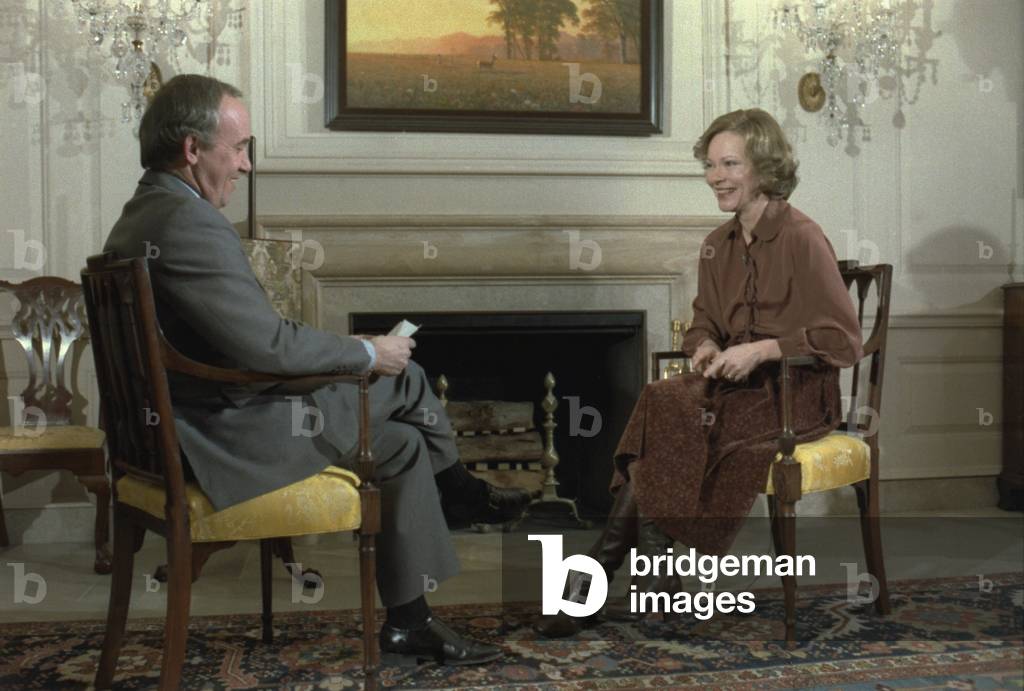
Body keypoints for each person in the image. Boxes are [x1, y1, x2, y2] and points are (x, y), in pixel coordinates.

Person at [103, 74, 531, 665]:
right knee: (404, 375)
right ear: (193, 149)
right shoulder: (189, 224)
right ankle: (458, 488)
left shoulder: (140, 215)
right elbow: (267, 348)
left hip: (177, 431)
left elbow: (240, 344)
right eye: (240, 148)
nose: (247, 166)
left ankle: (410, 621)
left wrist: (346, 350)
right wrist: (363, 354)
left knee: (401, 442)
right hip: (223, 438)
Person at [539, 108, 864, 637]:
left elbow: (843, 340)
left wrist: (761, 351)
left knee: (667, 429)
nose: (717, 177)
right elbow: (701, 324)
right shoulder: (718, 243)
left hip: (796, 392)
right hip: (736, 389)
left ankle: (607, 583)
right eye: (711, 165)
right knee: (662, 404)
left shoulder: (804, 237)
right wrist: (706, 345)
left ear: (763, 167)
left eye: (730, 163)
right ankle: (646, 587)